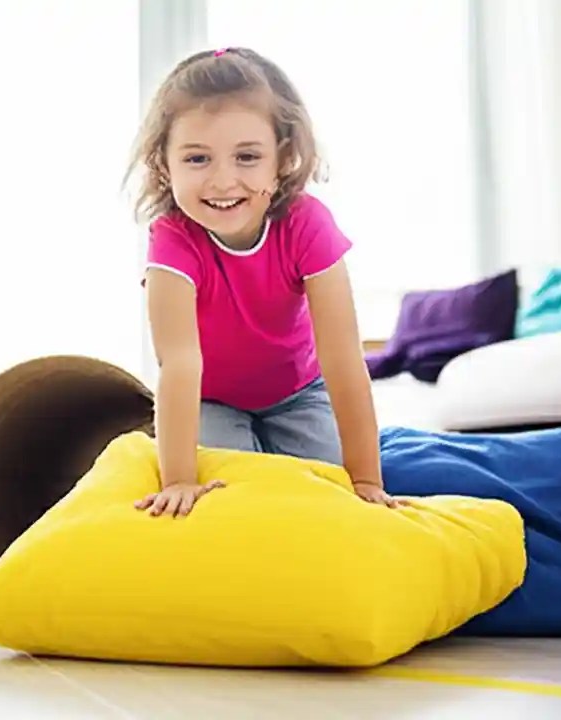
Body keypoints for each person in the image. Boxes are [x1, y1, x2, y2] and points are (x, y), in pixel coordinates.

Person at [126, 47, 402, 517]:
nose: (222, 180)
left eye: (247, 157)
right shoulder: (171, 240)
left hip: (300, 393)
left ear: (284, 159)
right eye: (197, 159)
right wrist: (178, 480)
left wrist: (366, 480)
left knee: (322, 491)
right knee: (234, 495)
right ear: (163, 165)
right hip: (211, 399)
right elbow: (177, 364)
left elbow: (341, 358)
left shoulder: (307, 224)